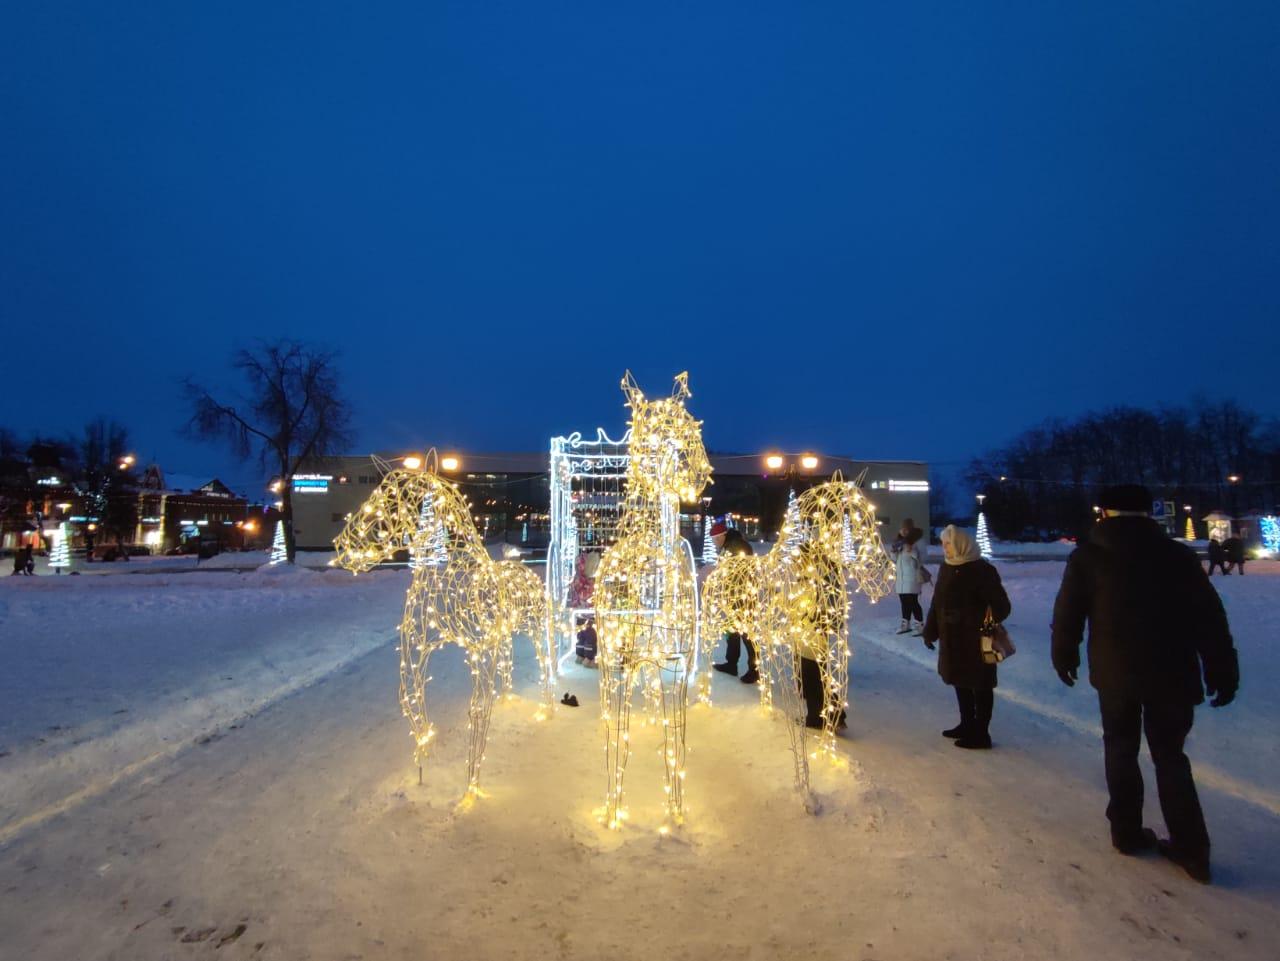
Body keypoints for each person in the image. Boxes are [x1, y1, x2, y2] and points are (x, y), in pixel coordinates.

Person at [1051, 484, 1238, 883]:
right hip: (1172, 673)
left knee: (1120, 749)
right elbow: (1209, 617)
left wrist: (1064, 653)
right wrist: (1222, 669)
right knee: (1170, 757)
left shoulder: (1088, 556)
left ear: (1107, 513)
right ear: (1148, 513)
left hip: (1116, 674)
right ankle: (1192, 849)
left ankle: (1126, 831)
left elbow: (1068, 612)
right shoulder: (1176, 555)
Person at [922, 525, 1011, 750]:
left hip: (976, 639)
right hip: (952, 638)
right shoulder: (946, 568)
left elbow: (1002, 606)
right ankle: (966, 723)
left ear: (961, 544)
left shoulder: (982, 570)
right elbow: (937, 602)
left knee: (980, 684)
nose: (945, 549)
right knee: (959, 680)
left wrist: (975, 617)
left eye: (948, 544)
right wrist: (931, 630)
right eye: (943, 544)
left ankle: (981, 733)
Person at [710, 519, 760, 684]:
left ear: (723, 535)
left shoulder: (737, 547)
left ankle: (755, 670)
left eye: (716, 539)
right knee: (731, 633)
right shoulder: (728, 546)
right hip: (733, 597)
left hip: (743, 599)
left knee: (747, 635)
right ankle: (731, 664)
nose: (715, 543)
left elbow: (738, 573)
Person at [890, 518, 930, 635]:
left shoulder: (918, 541)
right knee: (904, 601)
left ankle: (920, 625)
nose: (904, 531)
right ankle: (905, 624)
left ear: (911, 529)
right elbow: (895, 560)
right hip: (901, 578)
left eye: (906, 529)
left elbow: (924, 558)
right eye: (902, 529)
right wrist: (893, 552)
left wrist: (912, 551)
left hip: (912, 576)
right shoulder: (899, 542)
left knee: (913, 601)